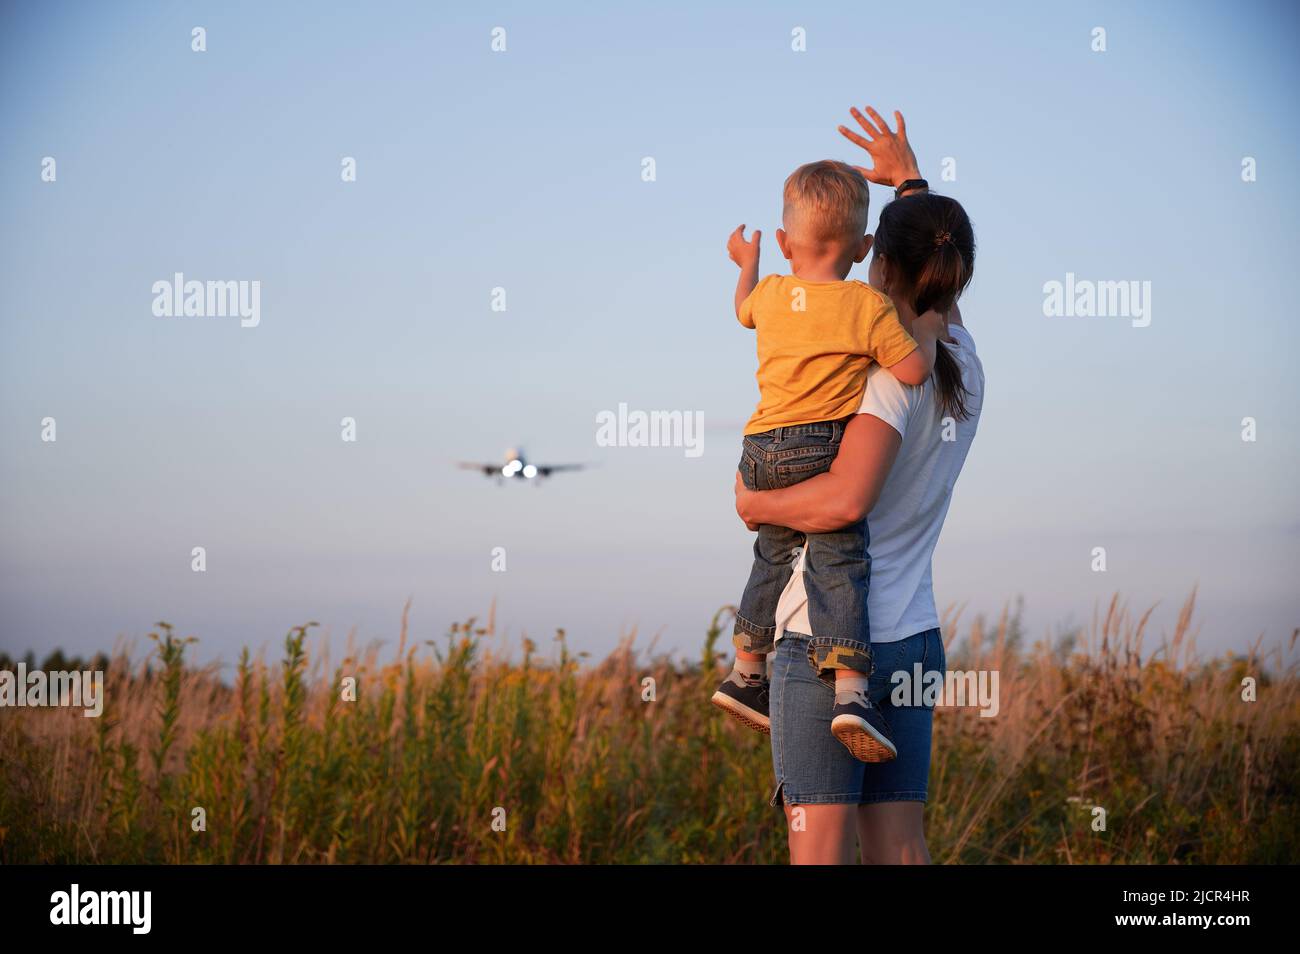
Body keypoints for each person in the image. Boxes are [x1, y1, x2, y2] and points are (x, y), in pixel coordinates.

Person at [733, 106, 983, 864]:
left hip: (827, 645)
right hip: (913, 637)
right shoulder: (963, 360)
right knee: (902, 850)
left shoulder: (878, 379)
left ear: (875, 267)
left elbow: (844, 501)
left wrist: (756, 504)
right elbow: (937, 281)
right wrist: (909, 182)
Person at [712, 156, 945, 762]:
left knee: (773, 550)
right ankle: (849, 692)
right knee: (838, 558)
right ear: (865, 246)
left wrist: (748, 263)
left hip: (760, 447)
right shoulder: (865, 309)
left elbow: (741, 312)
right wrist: (923, 332)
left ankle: (744, 670)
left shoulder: (768, 293)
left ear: (786, 241)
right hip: (818, 445)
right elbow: (915, 372)